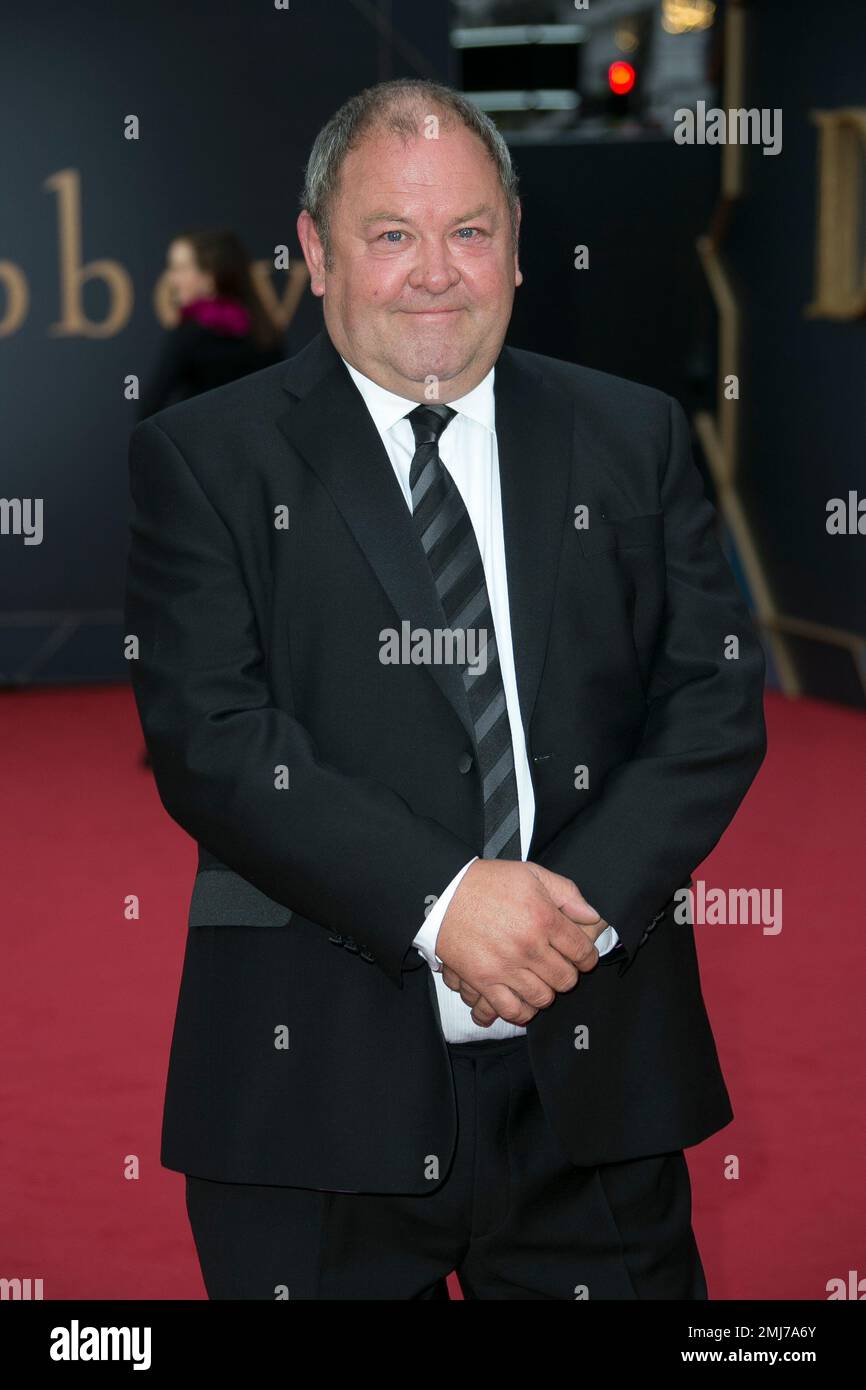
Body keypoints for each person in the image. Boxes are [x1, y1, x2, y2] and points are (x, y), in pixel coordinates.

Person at [124, 78, 767, 1300]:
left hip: (595, 1087)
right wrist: (444, 903)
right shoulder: (204, 458)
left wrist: (558, 924)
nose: (435, 272)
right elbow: (210, 736)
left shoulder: (630, 435)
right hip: (314, 1100)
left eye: (468, 231)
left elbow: (711, 702)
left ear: (515, 249)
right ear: (314, 252)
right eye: (390, 234)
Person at [136, 229, 284, 422]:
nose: (172, 280)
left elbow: (148, 409)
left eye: (180, 269)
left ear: (209, 277)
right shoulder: (266, 332)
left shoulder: (189, 335)